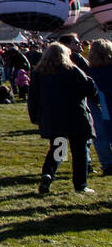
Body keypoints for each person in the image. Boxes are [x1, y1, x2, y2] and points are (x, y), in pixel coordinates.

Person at [31, 43, 96, 195]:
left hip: (54, 118)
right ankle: (80, 185)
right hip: (75, 117)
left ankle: (48, 174)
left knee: (58, 149)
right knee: (79, 152)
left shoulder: (38, 73)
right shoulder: (71, 70)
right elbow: (88, 88)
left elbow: (33, 97)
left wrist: (35, 116)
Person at [85, 39, 112, 176]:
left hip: (96, 107)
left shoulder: (89, 72)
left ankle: (107, 164)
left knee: (100, 138)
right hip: (107, 106)